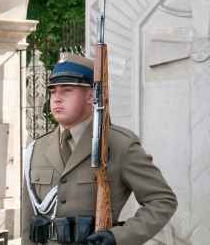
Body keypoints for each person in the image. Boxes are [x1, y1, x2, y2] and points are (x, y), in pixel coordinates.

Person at [21, 54, 177, 245]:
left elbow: (162, 200)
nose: (56, 98)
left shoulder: (119, 144)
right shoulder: (37, 149)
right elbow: (28, 220)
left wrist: (118, 237)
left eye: (67, 90)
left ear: (90, 96)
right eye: (53, 91)